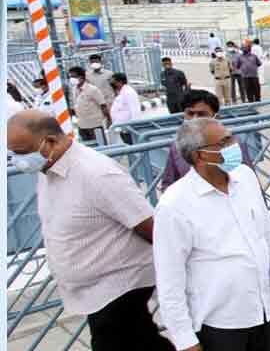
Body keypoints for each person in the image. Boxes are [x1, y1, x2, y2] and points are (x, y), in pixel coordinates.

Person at [6, 110, 172, 351]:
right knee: (144, 342)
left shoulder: (96, 174)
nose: (17, 161)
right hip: (93, 293)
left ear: (50, 142)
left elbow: (149, 226)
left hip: (120, 287)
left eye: (22, 153)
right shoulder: (47, 169)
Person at [154, 117, 270, 351]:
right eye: (224, 142)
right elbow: (169, 279)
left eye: (231, 137)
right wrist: (185, 338)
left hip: (265, 310)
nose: (234, 144)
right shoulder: (174, 205)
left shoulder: (245, 176)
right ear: (199, 156)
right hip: (222, 324)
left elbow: (266, 231)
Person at [160, 90, 255, 189]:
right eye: (190, 113)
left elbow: (250, 181)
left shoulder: (232, 144)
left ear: (215, 117)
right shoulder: (177, 147)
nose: (194, 119)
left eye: (201, 114)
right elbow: (169, 184)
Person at [68, 66, 110, 145]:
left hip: (94, 125)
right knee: (89, 148)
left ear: (81, 77)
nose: (71, 79)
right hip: (82, 125)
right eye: (70, 77)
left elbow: (103, 105)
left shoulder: (92, 89)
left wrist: (108, 120)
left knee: (101, 146)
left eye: (73, 76)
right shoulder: (74, 89)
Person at [110, 73, 143, 143]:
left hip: (129, 129)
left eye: (114, 82)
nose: (112, 84)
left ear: (120, 82)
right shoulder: (122, 92)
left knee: (133, 148)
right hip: (123, 127)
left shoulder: (129, 92)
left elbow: (135, 111)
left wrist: (134, 127)